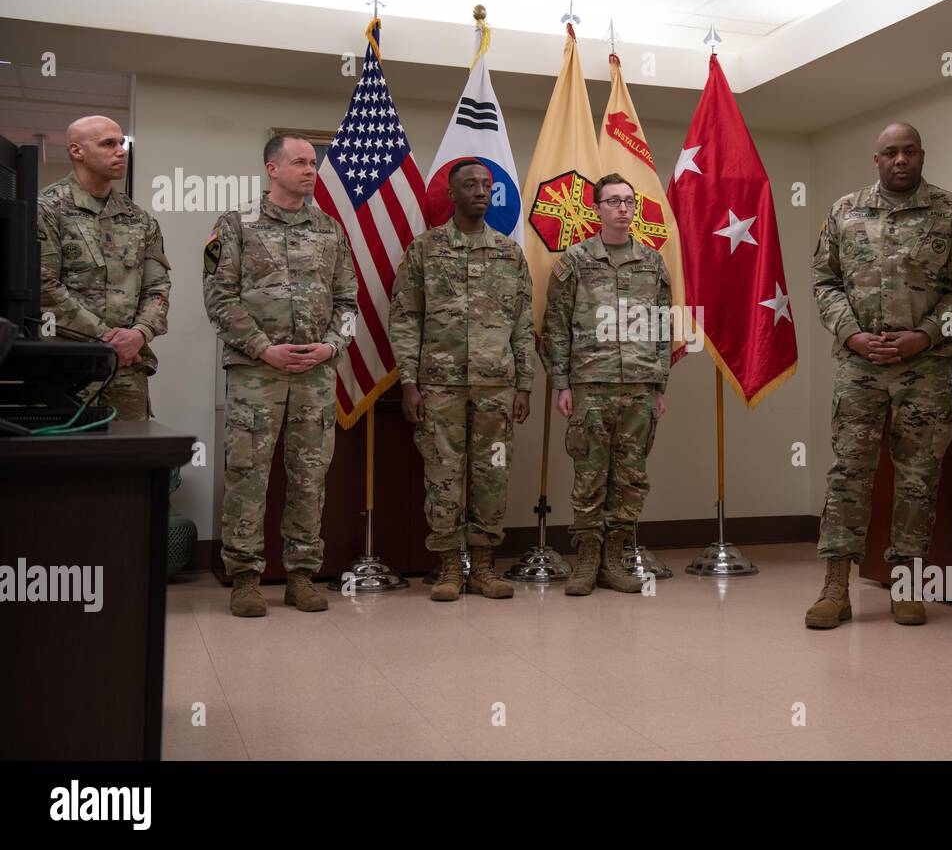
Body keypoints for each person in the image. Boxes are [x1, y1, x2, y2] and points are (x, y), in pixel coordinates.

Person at [808, 122, 952, 628]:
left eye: (909, 151)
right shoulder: (845, 211)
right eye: (891, 153)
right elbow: (824, 282)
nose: (900, 160)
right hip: (859, 364)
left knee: (917, 477)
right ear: (877, 159)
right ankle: (835, 587)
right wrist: (851, 334)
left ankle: (907, 584)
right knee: (848, 475)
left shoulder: (951, 212)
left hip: (925, 367)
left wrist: (926, 335)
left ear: (922, 155)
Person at [203, 133, 357, 617]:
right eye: (300, 162)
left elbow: (348, 302)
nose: (311, 170)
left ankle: (301, 575)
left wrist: (332, 345)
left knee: (310, 476)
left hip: (314, 374)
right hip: (256, 373)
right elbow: (219, 299)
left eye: (314, 162)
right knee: (248, 474)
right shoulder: (236, 225)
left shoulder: (331, 229)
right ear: (272, 168)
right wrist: (263, 349)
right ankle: (245, 578)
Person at [389, 159, 533, 602]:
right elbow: (406, 317)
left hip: (496, 389)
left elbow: (523, 323)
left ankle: (485, 567)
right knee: (443, 475)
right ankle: (450, 566)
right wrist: (409, 382)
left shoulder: (510, 253)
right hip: (440, 386)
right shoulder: (426, 250)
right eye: (469, 185)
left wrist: (524, 384)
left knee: (492, 473)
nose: (480, 191)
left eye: (486, 185)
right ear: (451, 194)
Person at [542, 173, 671, 597]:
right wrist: (561, 383)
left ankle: (615, 560)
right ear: (596, 209)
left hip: (639, 385)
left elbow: (662, 326)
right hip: (589, 385)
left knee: (631, 477)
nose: (622, 208)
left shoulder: (653, 263)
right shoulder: (575, 261)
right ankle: (585, 562)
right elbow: (556, 326)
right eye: (613, 201)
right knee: (589, 475)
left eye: (629, 202)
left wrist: (658, 385)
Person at [38, 115, 170, 420]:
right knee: (66, 460)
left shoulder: (139, 219)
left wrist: (139, 333)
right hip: (70, 363)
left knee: (130, 459)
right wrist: (108, 339)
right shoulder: (46, 209)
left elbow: (157, 288)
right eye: (108, 143)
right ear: (76, 151)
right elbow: (44, 287)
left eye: (122, 142)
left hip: (127, 368)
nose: (121, 150)